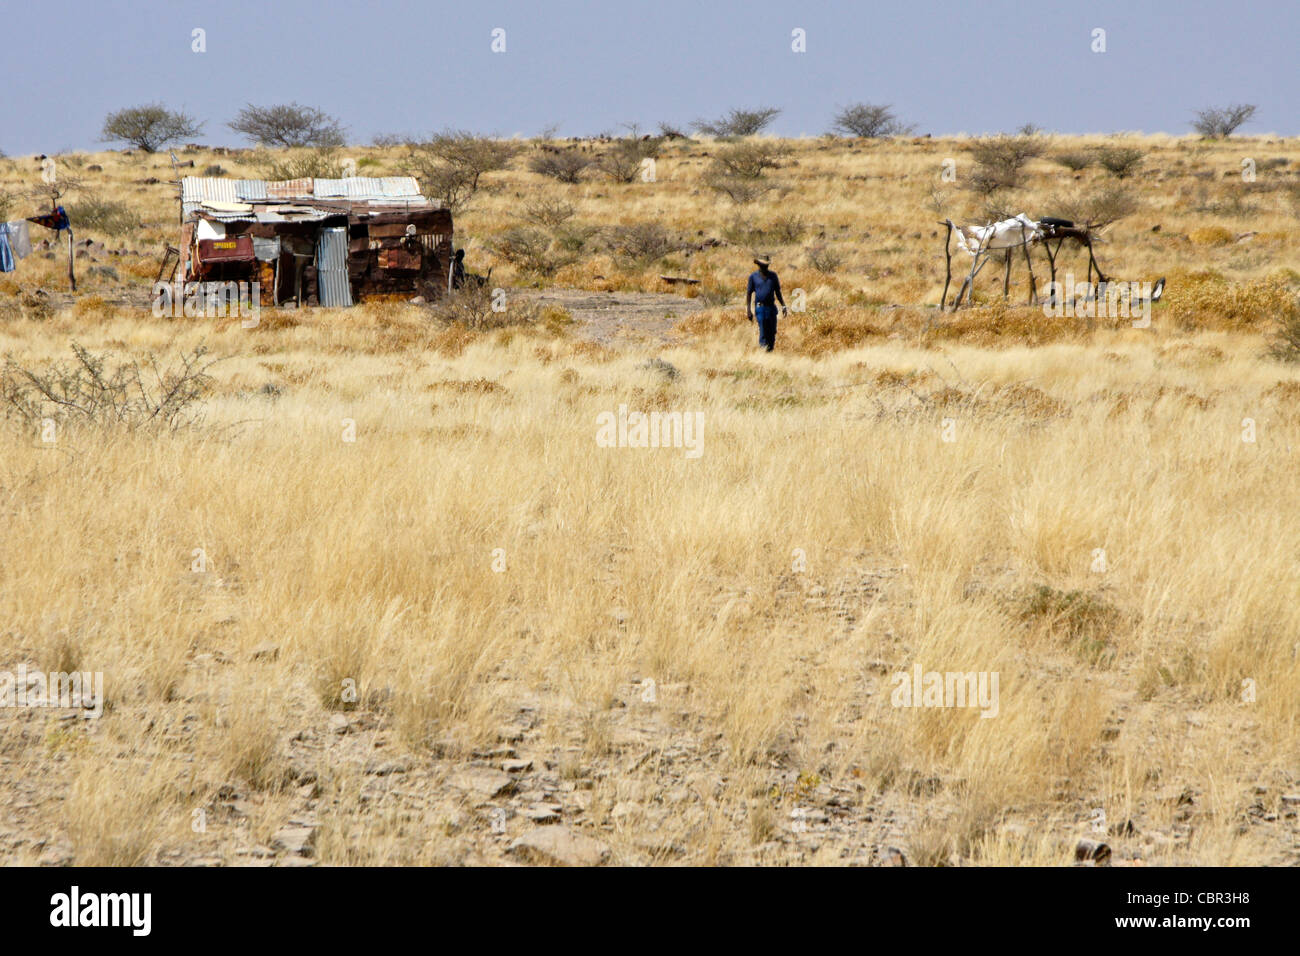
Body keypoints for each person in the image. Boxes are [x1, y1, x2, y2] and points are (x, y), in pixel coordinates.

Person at [745, 255, 787, 352]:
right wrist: (748, 310)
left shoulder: (773, 276)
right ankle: (763, 353)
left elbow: (778, 292)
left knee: (772, 332)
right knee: (763, 331)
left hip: (771, 308)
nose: (765, 267)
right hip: (760, 308)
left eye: (766, 265)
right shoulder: (753, 277)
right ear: (758, 265)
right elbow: (749, 293)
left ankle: (770, 352)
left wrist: (783, 305)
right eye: (763, 265)